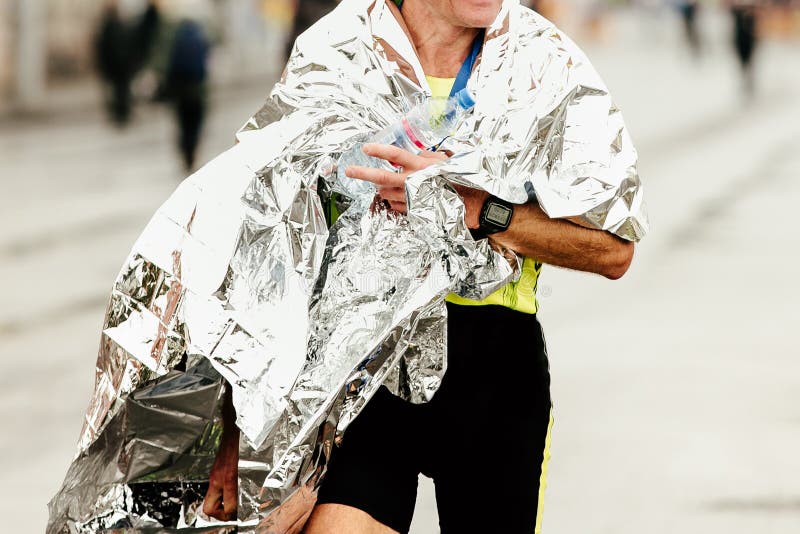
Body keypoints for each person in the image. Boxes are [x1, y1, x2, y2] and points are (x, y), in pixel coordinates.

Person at [203, 0, 636, 532]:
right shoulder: (337, 50)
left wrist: (479, 209)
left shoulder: (547, 64)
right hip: (360, 368)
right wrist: (235, 430)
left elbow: (614, 250)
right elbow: (263, 247)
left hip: (493, 372)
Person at [162, 19, 211, 172]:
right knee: (195, 125)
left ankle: (186, 154)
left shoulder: (177, 43)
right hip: (197, 92)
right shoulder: (200, 41)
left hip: (181, 93)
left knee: (184, 125)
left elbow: (171, 67)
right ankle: (192, 153)